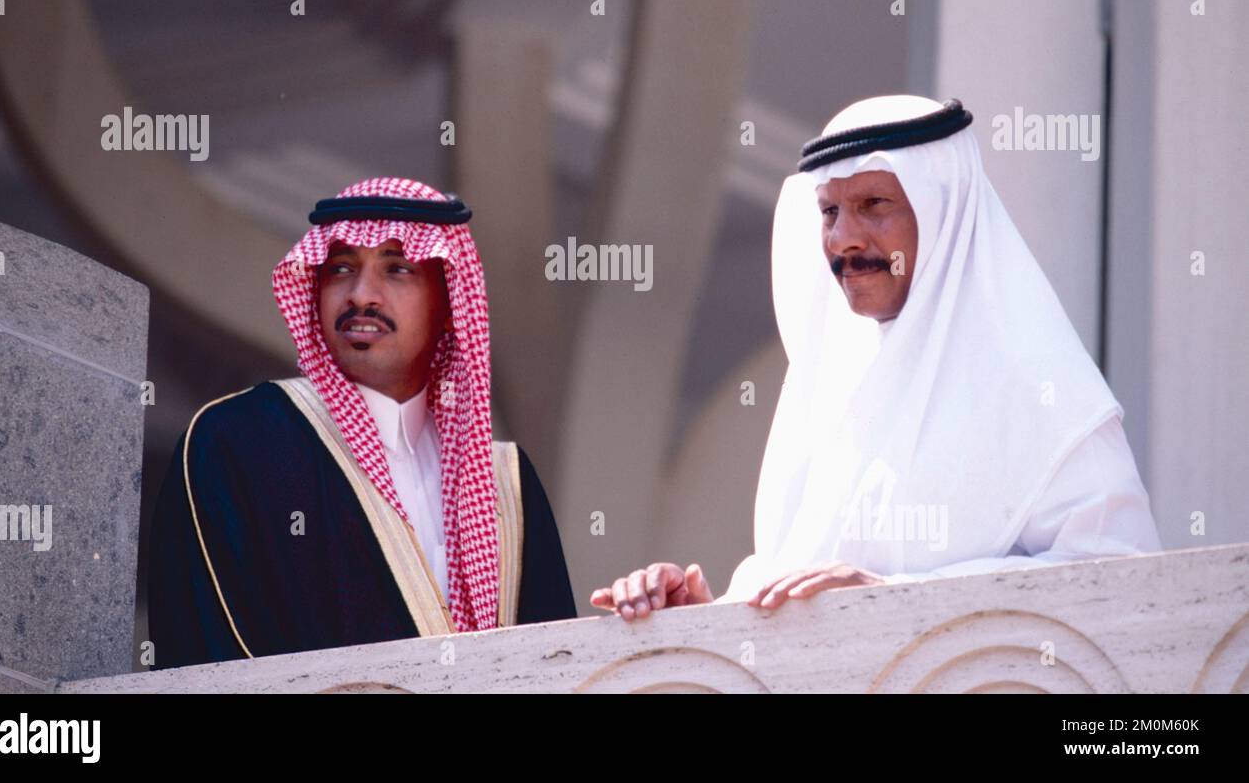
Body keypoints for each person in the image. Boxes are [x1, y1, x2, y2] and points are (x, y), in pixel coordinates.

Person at [591, 95, 1161, 620]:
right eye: (830, 212)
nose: (844, 239)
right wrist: (702, 616)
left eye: (874, 205)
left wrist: (894, 604)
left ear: (944, 214)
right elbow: (800, 602)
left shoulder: (1039, 388)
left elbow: (1126, 589)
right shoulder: (826, 389)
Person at [150, 176, 574, 669]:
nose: (360, 295)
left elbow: (559, 667)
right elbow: (209, 661)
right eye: (340, 269)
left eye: (397, 268)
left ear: (448, 303)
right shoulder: (236, 442)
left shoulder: (509, 486)